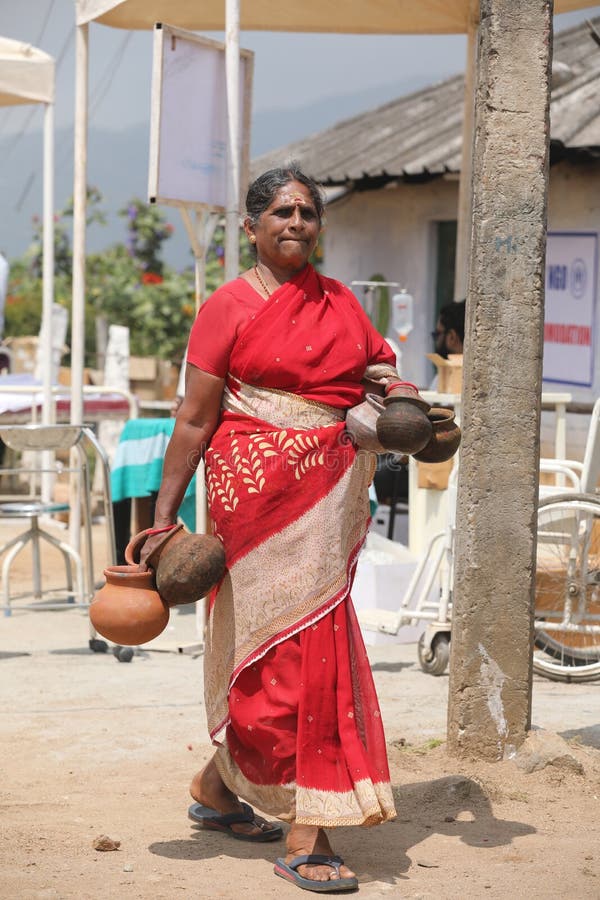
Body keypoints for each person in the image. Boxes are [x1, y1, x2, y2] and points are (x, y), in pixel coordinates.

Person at [141, 165, 417, 892]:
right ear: (253, 226)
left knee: (313, 641)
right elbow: (196, 418)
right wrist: (162, 518)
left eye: (308, 213)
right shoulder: (226, 307)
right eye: (283, 213)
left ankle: (258, 802)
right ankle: (283, 809)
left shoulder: (342, 304)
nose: (296, 223)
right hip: (248, 496)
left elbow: (380, 370)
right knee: (264, 653)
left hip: (326, 493)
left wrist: (406, 395)